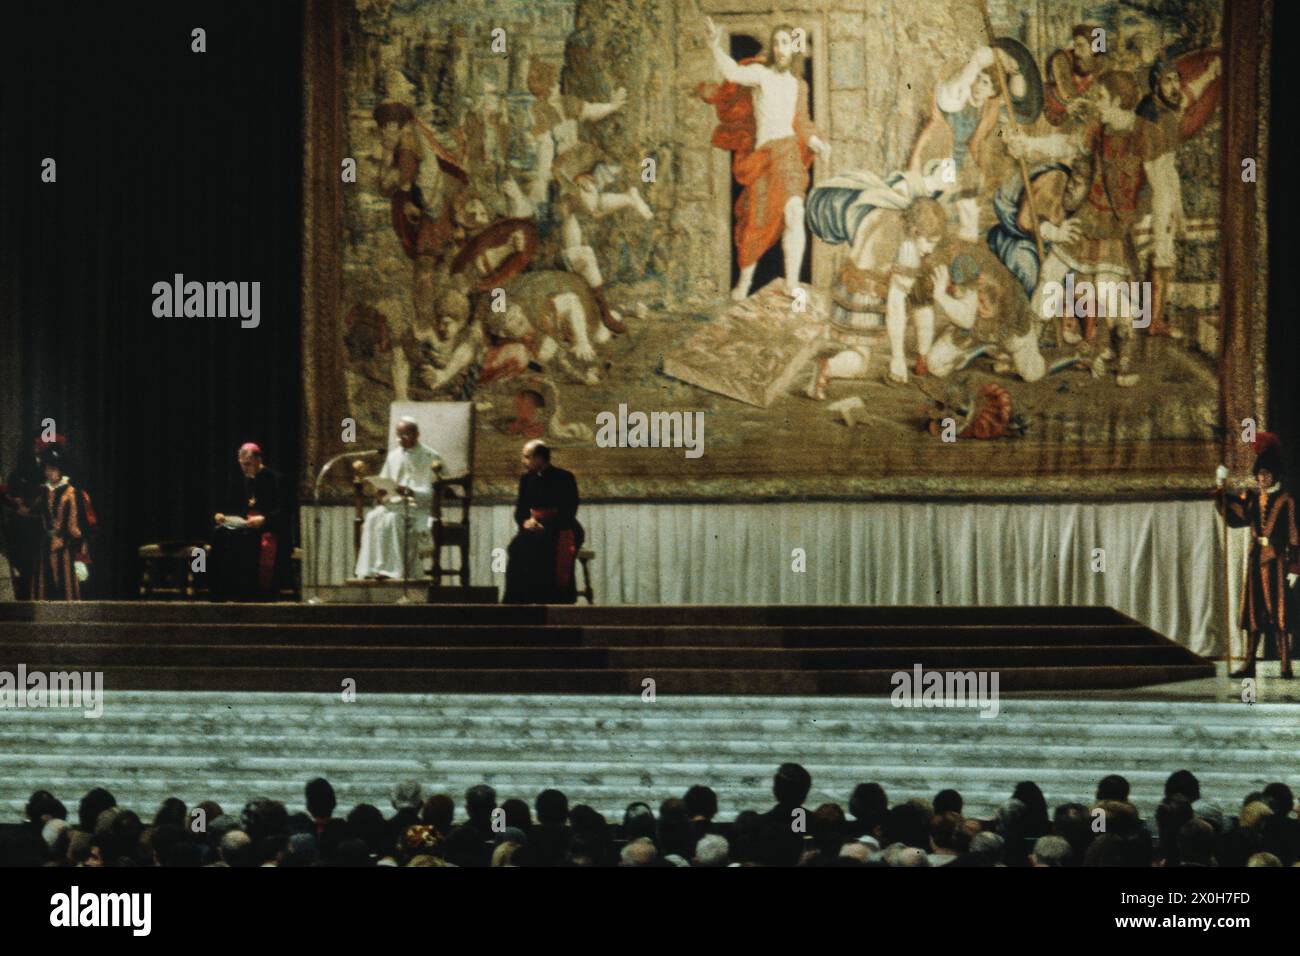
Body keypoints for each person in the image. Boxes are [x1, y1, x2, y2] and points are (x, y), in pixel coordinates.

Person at [699, 18, 831, 301]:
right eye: (776, 43)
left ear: (793, 49)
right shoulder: (761, 75)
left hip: (788, 155)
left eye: (786, 43)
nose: (781, 48)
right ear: (772, 49)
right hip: (763, 158)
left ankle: (792, 283)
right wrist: (713, 44)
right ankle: (744, 284)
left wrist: (817, 143)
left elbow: (803, 124)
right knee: (755, 224)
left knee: (796, 213)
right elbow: (733, 73)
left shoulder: (799, 86)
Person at [1215, 433, 1297, 678]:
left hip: (1278, 562)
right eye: (1260, 474)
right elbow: (1235, 514)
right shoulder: (1252, 499)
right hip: (1256, 559)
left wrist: (1295, 567)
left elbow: (1294, 535)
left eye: (1267, 475)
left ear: (1275, 475)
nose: (1262, 478)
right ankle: (1249, 662)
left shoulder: (1287, 500)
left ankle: (1285, 664)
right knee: (1253, 613)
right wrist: (1221, 486)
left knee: (1280, 613)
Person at [354, 417, 442, 580]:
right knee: (373, 517)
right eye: (398, 435)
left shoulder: (431, 456)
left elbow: (434, 492)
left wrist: (409, 490)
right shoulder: (393, 456)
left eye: (405, 435)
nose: (400, 440)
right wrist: (380, 491)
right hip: (394, 504)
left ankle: (393, 571)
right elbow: (385, 482)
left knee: (393, 520)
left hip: (417, 508)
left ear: (417, 434)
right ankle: (372, 570)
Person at [503, 440, 583, 604]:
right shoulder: (526, 479)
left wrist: (545, 525)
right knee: (515, 548)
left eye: (527, 457)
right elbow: (521, 509)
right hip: (533, 528)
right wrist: (526, 522)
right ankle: (517, 603)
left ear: (539, 458)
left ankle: (550, 600)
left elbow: (569, 510)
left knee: (546, 550)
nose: (523, 461)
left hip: (561, 528)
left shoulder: (565, 477)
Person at [211, 443, 287, 601]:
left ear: (258, 460)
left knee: (247, 541)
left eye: (248, 464)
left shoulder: (276, 479)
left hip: (268, 528)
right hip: (247, 526)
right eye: (242, 465)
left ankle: (249, 594)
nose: (244, 469)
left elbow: (285, 512)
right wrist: (223, 517)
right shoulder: (244, 480)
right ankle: (222, 593)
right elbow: (239, 509)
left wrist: (264, 519)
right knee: (220, 534)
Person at [31, 448, 95, 601]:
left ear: (60, 471)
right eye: (47, 469)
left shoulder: (73, 493)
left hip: (66, 546)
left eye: (52, 469)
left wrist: (80, 555)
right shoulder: (43, 491)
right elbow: (29, 510)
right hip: (46, 545)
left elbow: (79, 527)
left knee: (66, 584)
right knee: (44, 584)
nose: (49, 472)